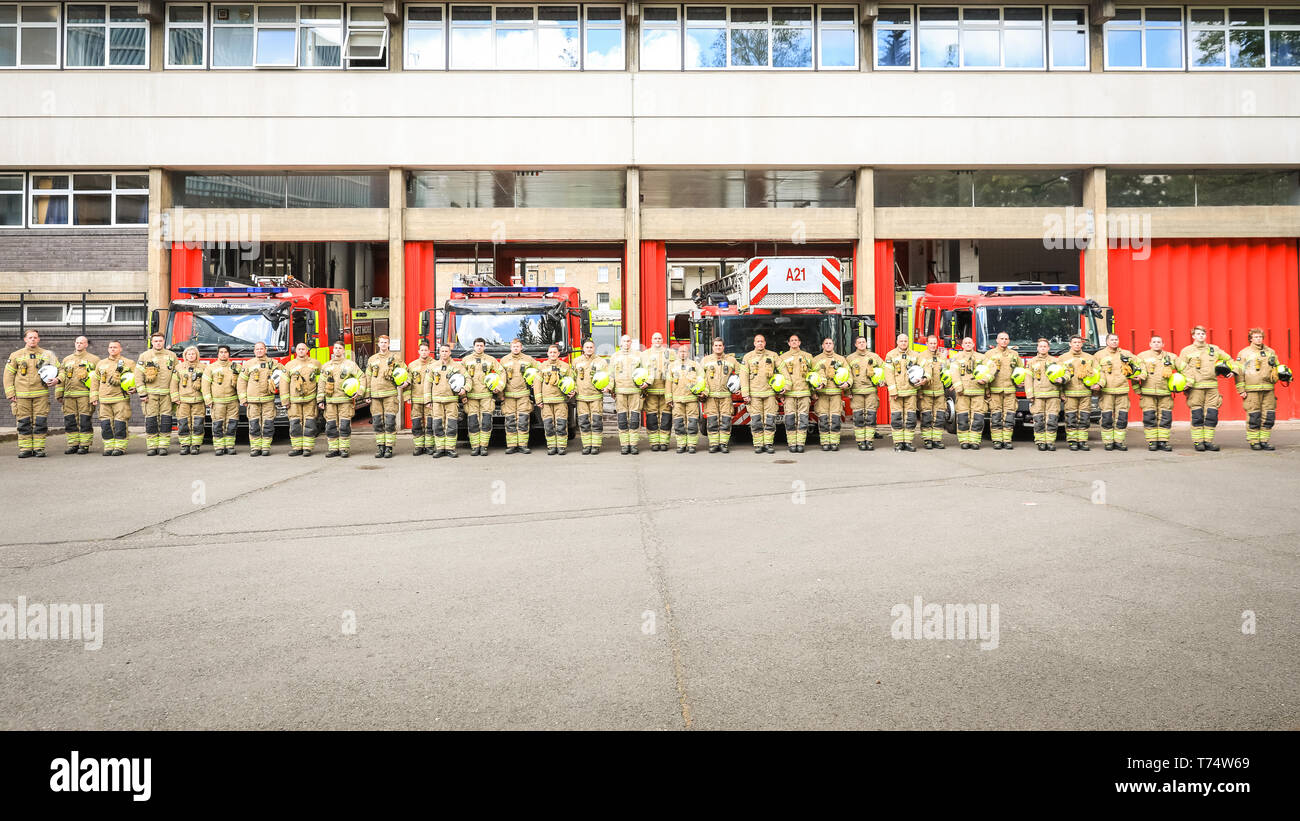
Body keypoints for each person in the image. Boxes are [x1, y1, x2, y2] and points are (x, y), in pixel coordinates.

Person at [4, 329, 59, 458]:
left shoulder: (47, 355)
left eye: (35, 337)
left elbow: (60, 369)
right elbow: (8, 375)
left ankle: (39, 448)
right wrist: (10, 393)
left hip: (40, 394)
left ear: (38, 339)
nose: (33, 339)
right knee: (23, 422)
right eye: (30, 337)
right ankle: (25, 449)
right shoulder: (16, 355)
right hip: (21, 395)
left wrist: (58, 379)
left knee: (40, 422)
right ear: (25, 339)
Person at [1179, 326, 1233, 452]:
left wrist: (1233, 371)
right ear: (1193, 336)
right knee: (1197, 415)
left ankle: (1208, 441)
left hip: (1212, 387)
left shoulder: (1214, 349)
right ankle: (1198, 442)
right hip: (1195, 388)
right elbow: (1181, 367)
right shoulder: (1186, 351)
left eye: (1203, 333)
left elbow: (1229, 359)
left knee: (1211, 415)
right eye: (1198, 334)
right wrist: (1185, 383)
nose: (1201, 336)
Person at [1236, 328, 1289, 451]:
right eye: (1255, 337)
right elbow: (1239, 373)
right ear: (1250, 338)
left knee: (1268, 416)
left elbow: (1277, 368)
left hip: (1268, 389)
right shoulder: (1244, 353)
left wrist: (1284, 374)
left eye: (1260, 337)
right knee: (1254, 416)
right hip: (1251, 389)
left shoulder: (1271, 352)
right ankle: (1254, 441)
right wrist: (1241, 389)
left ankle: (1264, 441)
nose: (1258, 339)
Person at [1136, 336, 1186, 452]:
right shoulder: (1142, 356)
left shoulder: (1171, 357)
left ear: (1163, 344)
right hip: (1147, 393)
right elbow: (1135, 375)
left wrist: (1187, 382)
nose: (1156, 344)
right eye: (1154, 342)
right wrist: (1138, 390)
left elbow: (1185, 369)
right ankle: (1152, 441)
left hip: (1165, 393)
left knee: (1165, 418)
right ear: (1150, 344)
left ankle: (1163, 441)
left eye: (1159, 342)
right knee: (1149, 417)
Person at [135, 332, 179, 456]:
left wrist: (175, 393)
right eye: (156, 341)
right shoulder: (144, 356)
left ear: (164, 341)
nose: (158, 343)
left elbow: (177, 375)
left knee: (166, 421)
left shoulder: (172, 355)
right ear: (152, 342)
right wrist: (142, 393)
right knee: (151, 420)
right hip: (150, 395)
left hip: (167, 395)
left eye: (160, 340)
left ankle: (163, 446)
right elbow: (138, 376)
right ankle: (152, 446)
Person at [317, 341, 362, 458]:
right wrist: (320, 400)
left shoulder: (350, 365)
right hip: (330, 401)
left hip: (345, 401)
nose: (337, 350)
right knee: (331, 426)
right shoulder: (326, 366)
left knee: (344, 426)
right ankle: (333, 449)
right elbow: (321, 383)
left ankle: (344, 449)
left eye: (340, 348)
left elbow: (362, 377)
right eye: (335, 348)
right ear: (333, 350)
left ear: (343, 351)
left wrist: (359, 392)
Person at [1094, 334, 1139, 451]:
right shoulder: (1099, 355)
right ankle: (1108, 442)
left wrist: (1138, 375)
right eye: (1112, 340)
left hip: (1122, 392)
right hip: (1106, 392)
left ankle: (1119, 442)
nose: (1114, 342)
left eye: (1116, 340)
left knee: (1122, 418)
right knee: (1107, 418)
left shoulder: (1126, 354)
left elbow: (1139, 365)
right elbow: (1094, 372)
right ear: (1107, 341)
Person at [90, 340, 134, 456]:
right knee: (105, 424)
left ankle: (120, 447)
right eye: (110, 347)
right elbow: (94, 381)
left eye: (115, 347)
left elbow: (135, 379)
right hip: (104, 399)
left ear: (121, 349)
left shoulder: (128, 363)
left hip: (120, 399)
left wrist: (134, 389)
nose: (112, 349)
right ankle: (108, 447)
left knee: (120, 424)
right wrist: (94, 396)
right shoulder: (101, 363)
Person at [56, 335, 98, 455]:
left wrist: (94, 396)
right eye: (77, 342)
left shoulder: (94, 360)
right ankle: (73, 444)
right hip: (69, 395)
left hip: (85, 395)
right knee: (70, 421)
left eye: (81, 343)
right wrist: (59, 393)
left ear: (86, 345)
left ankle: (84, 445)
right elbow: (61, 376)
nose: (79, 344)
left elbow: (97, 380)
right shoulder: (67, 359)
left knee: (84, 420)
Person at [698, 336, 740, 453]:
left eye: (720, 345)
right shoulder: (705, 360)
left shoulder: (731, 360)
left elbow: (741, 373)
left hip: (726, 397)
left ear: (723, 347)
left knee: (725, 421)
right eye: (716, 345)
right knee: (712, 422)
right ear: (713, 347)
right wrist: (702, 392)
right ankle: (713, 444)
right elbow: (700, 378)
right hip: (710, 397)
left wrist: (739, 388)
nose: (718, 347)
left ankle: (723, 444)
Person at [462, 337, 502, 456]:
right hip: (471, 396)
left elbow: (502, 372)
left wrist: (498, 387)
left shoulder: (491, 360)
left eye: (481, 345)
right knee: (473, 422)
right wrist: (463, 395)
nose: (479, 347)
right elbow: (460, 378)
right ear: (474, 346)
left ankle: (484, 447)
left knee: (486, 422)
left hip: (486, 397)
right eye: (477, 345)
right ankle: (475, 447)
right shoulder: (466, 360)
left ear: (484, 347)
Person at [238, 340, 279, 457]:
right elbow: (241, 382)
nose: (259, 351)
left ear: (265, 350)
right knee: (254, 424)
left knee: (268, 424)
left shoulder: (274, 363)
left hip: (268, 399)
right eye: (257, 349)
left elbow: (283, 376)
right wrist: (243, 398)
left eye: (261, 349)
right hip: (252, 400)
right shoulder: (248, 364)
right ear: (254, 351)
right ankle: (255, 448)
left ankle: (266, 447)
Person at [364, 335, 403, 458]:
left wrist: (404, 382)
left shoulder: (395, 358)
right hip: (375, 396)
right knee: (377, 423)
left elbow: (404, 372)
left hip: (390, 394)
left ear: (389, 344)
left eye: (386, 342)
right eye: (381, 342)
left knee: (390, 422)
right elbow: (368, 377)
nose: (383, 344)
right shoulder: (372, 359)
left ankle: (389, 448)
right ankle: (380, 447)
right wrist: (367, 394)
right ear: (378, 344)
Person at [1058, 335, 1098, 451]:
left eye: (1079, 342)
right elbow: (1058, 377)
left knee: (1084, 419)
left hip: (1085, 393)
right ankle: (1072, 441)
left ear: (1082, 344)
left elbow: (1098, 372)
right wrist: (1061, 394)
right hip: (1070, 394)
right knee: (1071, 419)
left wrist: (1096, 385)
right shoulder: (1062, 358)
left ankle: (1083, 441)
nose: (1077, 344)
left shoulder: (1090, 358)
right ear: (1070, 344)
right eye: (1074, 342)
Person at [427, 344, 468, 458]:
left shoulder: (457, 366)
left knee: (451, 425)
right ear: (439, 353)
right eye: (442, 351)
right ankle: (440, 449)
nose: (444, 353)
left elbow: (468, 379)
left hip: (451, 400)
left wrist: (465, 389)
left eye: (446, 351)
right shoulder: (433, 366)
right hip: (436, 401)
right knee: (438, 425)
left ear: (450, 353)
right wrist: (427, 400)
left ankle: (450, 449)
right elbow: (427, 384)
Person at [498, 338, 539, 454]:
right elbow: (500, 378)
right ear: (510, 347)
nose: (516, 348)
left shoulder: (528, 359)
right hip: (508, 396)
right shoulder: (504, 360)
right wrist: (500, 395)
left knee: (523, 420)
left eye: (518, 346)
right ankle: (511, 445)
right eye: (514, 346)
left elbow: (539, 370)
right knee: (510, 421)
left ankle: (522, 445)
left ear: (521, 347)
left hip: (523, 396)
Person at [741, 334, 779, 454]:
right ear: (754, 343)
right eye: (758, 341)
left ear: (765, 343)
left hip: (770, 394)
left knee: (770, 420)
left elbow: (783, 370)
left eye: (762, 341)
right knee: (756, 420)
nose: (760, 343)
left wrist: (785, 387)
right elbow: (743, 376)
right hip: (754, 395)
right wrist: (745, 394)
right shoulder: (748, 357)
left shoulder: (773, 355)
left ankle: (768, 444)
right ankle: (758, 445)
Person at [533, 344, 573, 456]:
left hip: (560, 401)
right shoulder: (542, 367)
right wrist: (539, 400)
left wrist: (572, 392)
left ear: (558, 354)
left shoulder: (566, 366)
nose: (552, 354)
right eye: (550, 352)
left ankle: (561, 447)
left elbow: (572, 381)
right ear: (547, 354)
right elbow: (537, 384)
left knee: (561, 425)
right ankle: (551, 447)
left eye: (555, 352)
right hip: (546, 402)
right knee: (548, 425)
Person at [845, 336, 884, 451]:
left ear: (866, 343)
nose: (862, 344)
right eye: (859, 342)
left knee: (871, 417)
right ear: (855, 345)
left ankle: (869, 441)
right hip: (856, 393)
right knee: (859, 418)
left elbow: (885, 369)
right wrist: (848, 391)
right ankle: (861, 441)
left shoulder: (874, 356)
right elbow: (848, 375)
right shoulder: (850, 358)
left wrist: (883, 381)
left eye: (863, 342)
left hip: (871, 392)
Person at [948, 336, 988, 450]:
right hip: (963, 392)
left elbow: (992, 368)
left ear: (973, 344)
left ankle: (975, 441)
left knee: (977, 417)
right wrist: (958, 387)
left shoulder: (982, 357)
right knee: (962, 417)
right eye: (966, 343)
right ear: (962, 345)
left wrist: (985, 379)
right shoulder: (956, 358)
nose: (968, 344)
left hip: (978, 391)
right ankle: (964, 441)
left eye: (970, 342)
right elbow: (953, 372)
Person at [778, 334, 815, 453]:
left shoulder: (808, 357)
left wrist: (813, 392)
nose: (794, 342)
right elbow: (779, 378)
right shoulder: (782, 358)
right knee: (790, 420)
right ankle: (792, 443)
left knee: (803, 420)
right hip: (789, 394)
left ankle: (800, 443)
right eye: (792, 341)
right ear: (788, 343)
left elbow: (814, 376)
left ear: (799, 343)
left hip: (804, 393)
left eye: (796, 340)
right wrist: (781, 394)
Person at [810, 337, 848, 451]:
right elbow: (811, 377)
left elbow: (848, 374)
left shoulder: (841, 359)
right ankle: (825, 442)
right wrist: (813, 392)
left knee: (835, 418)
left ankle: (835, 442)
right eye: (826, 343)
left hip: (836, 393)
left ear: (833, 345)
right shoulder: (815, 360)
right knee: (823, 419)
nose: (828, 345)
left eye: (830, 343)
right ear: (822, 346)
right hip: (822, 394)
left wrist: (847, 384)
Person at [283, 342, 322, 456]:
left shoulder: (315, 364)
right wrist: (285, 400)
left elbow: (322, 378)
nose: (301, 351)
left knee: (310, 424)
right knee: (295, 424)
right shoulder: (289, 365)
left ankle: (307, 448)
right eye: (299, 349)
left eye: (303, 349)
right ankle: (296, 448)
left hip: (310, 400)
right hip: (294, 401)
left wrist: (319, 397)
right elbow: (284, 383)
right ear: (296, 351)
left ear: (307, 351)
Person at [983, 332, 1020, 450]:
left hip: (1010, 390)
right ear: (997, 341)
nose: (1004, 341)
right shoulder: (989, 354)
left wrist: (1020, 381)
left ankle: (1007, 440)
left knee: (1009, 416)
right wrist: (986, 390)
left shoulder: (1014, 354)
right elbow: (984, 372)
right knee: (996, 416)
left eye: (1006, 339)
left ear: (1009, 341)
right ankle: (997, 440)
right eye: (1001, 339)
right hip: (995, 390)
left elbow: (1020, 370)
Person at [882, 333, 919, 452]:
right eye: (901, 341)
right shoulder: (890, 355)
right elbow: (888, 374)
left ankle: (908, 442)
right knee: (897, 418)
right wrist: (893, 390)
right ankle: (898, 443)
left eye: (905, 341)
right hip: (896, 393)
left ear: (908, 342)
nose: (903, 343)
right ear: (897, 342)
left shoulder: (915, 355)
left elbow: (919, 371)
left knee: (910, 418)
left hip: (911, 391)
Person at [202, 345, 241, 455]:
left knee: (232, 425)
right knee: (218, 425)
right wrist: (208, 400)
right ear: (218, 354)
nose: (223, 354)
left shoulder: (236, 367)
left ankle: (230, 446)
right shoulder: (211, 368)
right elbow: (205, 385)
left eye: (225, 352)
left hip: (233, 401)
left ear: (229, 354)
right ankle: (219, 447)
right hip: (217, 402)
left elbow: (243, 383)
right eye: (221, 352)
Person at [571, 338, 608, 455]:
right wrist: (573, 390)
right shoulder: (576, 361)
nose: (589, 349)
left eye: (591, 347)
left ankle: (596, 446)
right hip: (581, 397)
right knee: (583, 422)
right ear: (583, 348)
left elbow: (608, 376)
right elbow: (572, 378)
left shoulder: (601, 362)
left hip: (596, 397)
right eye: (587, 347)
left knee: (596, 422)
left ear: (594, 348)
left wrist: (608, 387)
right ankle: (586, 446)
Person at [170, 346, 208, 455]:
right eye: (189, 354)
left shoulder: (204, 368)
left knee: (198, 424)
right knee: (183, 424)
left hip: (198, 401)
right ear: (185, 355)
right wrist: (175, 398)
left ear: (197, 355)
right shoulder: (178, 368)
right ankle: (185, 445)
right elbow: (173, 384)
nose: (191, 356)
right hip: (183, 401)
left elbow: (207, 385)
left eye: (193, 354)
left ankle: (195, 446)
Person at [1025, 338, 1061, 451]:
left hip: (1053, 394)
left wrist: (1062, 391)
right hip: (1038, 395)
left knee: (1052, 419)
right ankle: (1040, 441)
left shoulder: (1056, 361)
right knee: (1038, 419)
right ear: (1037, 348)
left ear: (1048, 348)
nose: (1043, 348)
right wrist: (1030, 394)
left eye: (1045, 346)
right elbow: (1028, 379)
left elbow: (1064, 376)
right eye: (1041, 346)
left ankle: (1050, 442)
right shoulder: (1031, 362)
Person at [609, 335, 643, 455]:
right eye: (624, 341)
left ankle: (633, 445)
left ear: (631, 343)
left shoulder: (639, 355)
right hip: (620, 392)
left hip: (635, 392)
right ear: (620, 343)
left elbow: (646, 371)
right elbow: (611, 375)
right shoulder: (615, 356)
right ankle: (624, 445)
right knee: (622, 420)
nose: (626, 343)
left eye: (629, 341)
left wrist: (646, 383)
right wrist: (610, 388)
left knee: (634, 420)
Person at [640, 332, 673, 451]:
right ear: (651, 340)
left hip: (666, 391)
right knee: (652, 417)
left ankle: (664, 442)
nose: (657, 340)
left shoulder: (670, 353)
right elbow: (640, 371)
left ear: (662, 340)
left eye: (659, 338)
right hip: (651, 391)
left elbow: (674, 369)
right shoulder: (644, 354)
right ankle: (654, 443)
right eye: (655, 338)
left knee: (666, 417)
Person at [914, 334, 949, 449]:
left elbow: (948, 371)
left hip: (939, 392)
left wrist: (945, 359)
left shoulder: (941, 356)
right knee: (927, 417)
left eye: (935, 343)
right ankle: (927, 440)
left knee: (939, 417)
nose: (933, 345)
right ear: (927, 344)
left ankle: (937, 440)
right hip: (926, 393)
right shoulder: (921, 357)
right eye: (931, 343)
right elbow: (917, 375)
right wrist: (919, 392)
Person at [667, 345, 703, 454]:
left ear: (688, 353)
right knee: (678, 424)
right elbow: (668, 384)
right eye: (681, 351)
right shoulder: (671, 366)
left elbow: (702, 380)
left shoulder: (695, 365)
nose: (683, 353)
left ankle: (692, 445)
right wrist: (668, 398)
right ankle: (681, 445)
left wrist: (703, 393)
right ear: (678, 353)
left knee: (692, 423)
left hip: (692, 399)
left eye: (685, 351)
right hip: (677, 400)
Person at [406, 340, 437, 455]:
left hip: (430, 400)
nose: (424, 352)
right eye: (422, 350)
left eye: (426, 350)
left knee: (430, 424)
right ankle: (418, 446)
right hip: (416, 398)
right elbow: (408, 382)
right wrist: (407, 396)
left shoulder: (435, 364)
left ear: (429, 351)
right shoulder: (412, 365)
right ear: (418, 351)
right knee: (416, 424)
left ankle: (429, 446)